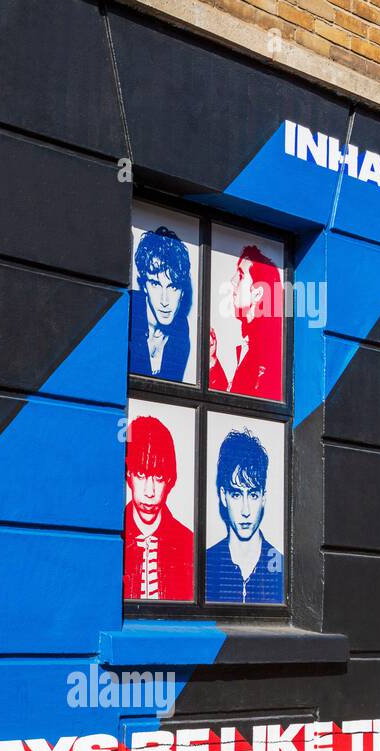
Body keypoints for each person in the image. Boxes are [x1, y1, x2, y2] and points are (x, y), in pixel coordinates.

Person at [205, 428, 283, 603]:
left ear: (263, 497)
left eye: (253, 495)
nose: (245, 511)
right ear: (223, 496)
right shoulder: (207, 564)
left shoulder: (280, 567)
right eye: (236, 494)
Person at [123, 415, 194, 601]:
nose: (150, 491)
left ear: (170, 479)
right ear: (128, 474)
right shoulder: (115, 539)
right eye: (141, 474)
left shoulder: (187, 543)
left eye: (159, 477)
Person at [128, 227, 193, 382]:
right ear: (144, 285)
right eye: (156, 284)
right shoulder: (127, 314)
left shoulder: (181, 332)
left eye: (173, 287)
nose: (165, 301)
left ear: (182, 291)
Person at [225, 245, 283, 401]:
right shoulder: (248, 346)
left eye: (241, 275)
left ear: (258, 293)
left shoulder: (269, 356)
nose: (233, 281)